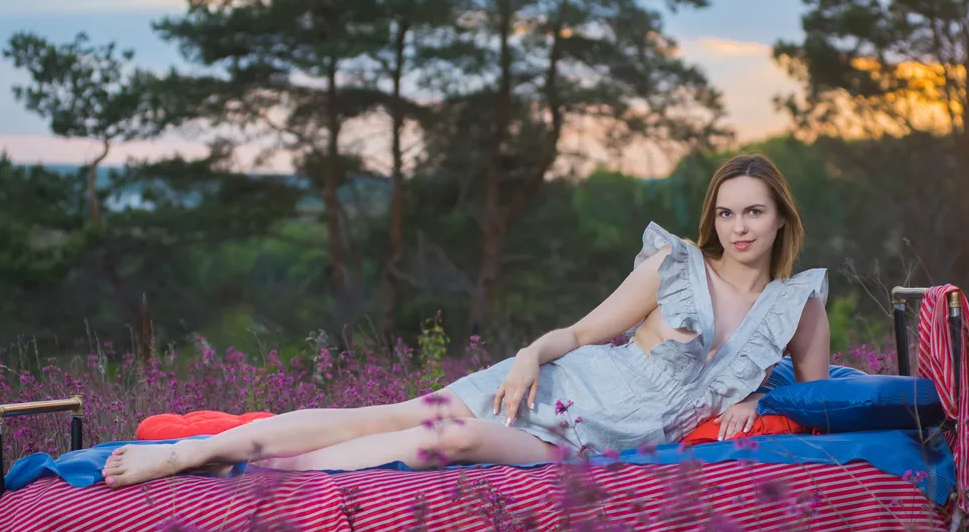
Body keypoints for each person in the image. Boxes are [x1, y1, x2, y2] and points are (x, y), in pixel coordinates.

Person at [101, 153, 830, 488]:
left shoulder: (798, 310)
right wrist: (525, 357)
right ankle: (197, 454)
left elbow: (819, 408)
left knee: (452, 437)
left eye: (754, 212)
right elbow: (576, 335)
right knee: (382, 416)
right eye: (727, 211)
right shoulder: (673, 269)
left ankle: (255, 468)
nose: (738, 226)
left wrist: (759, 395)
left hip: (598, 445)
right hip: (558, 386)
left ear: (780, 218)